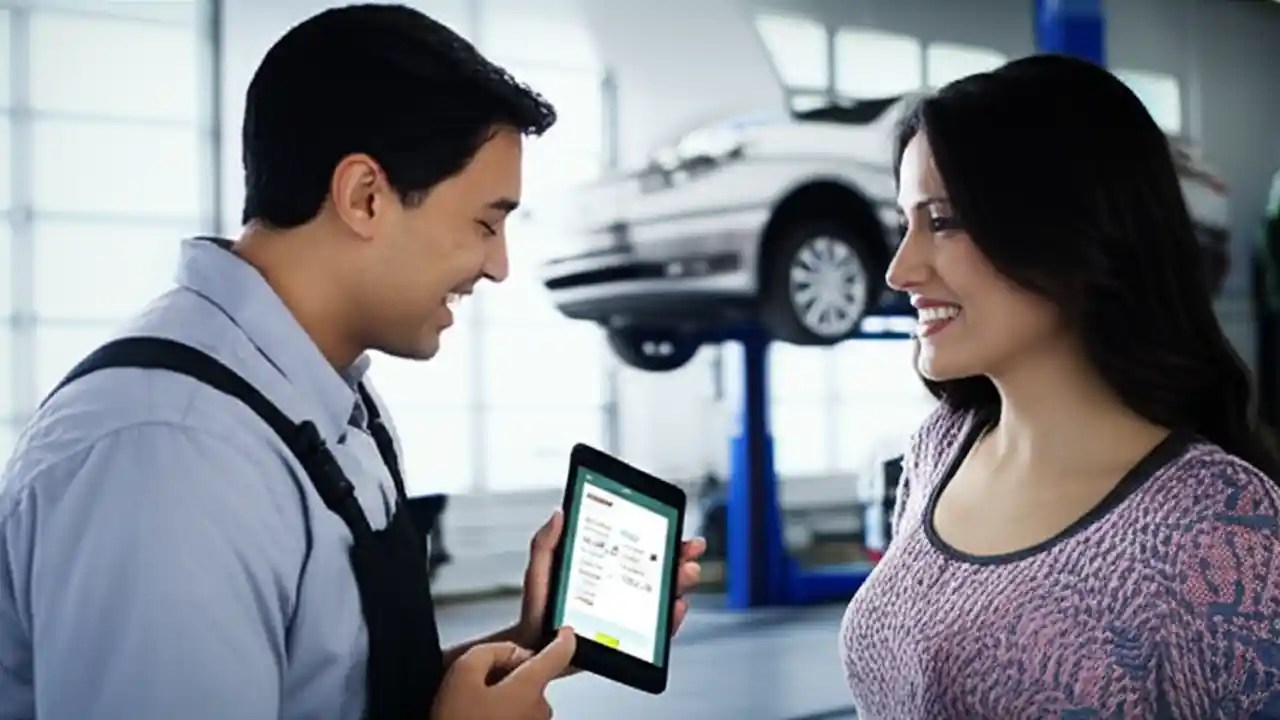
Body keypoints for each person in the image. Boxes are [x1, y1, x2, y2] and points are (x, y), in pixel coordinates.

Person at [0, 5, 704, 719]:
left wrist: (527, 646)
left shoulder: (329, 399)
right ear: (366, 197)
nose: (498, 266)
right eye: (485, 223)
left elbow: (330, 690)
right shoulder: (169, 458)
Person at [840, 54, 1280, 718]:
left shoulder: (1221, 525)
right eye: (907, 222)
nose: (900, 270)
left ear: (1067, 228)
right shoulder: (938, 450)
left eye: (945, 220)